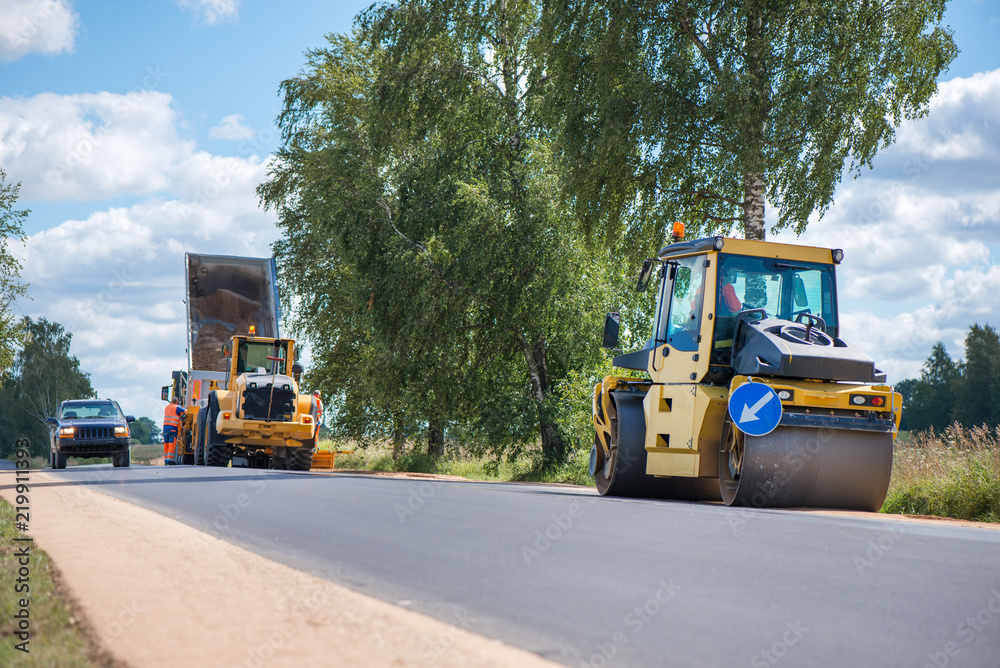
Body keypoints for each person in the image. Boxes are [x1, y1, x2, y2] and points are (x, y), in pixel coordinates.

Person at [162, 396, 186, 465]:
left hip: (165, 428)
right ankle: (170, 460)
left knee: (166, 445)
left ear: (171, 401)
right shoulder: (177, 407)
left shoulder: (166, 407)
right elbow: (186, 412)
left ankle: (166, 460)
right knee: (171, 445)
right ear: (177, 402)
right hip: (172, 429)